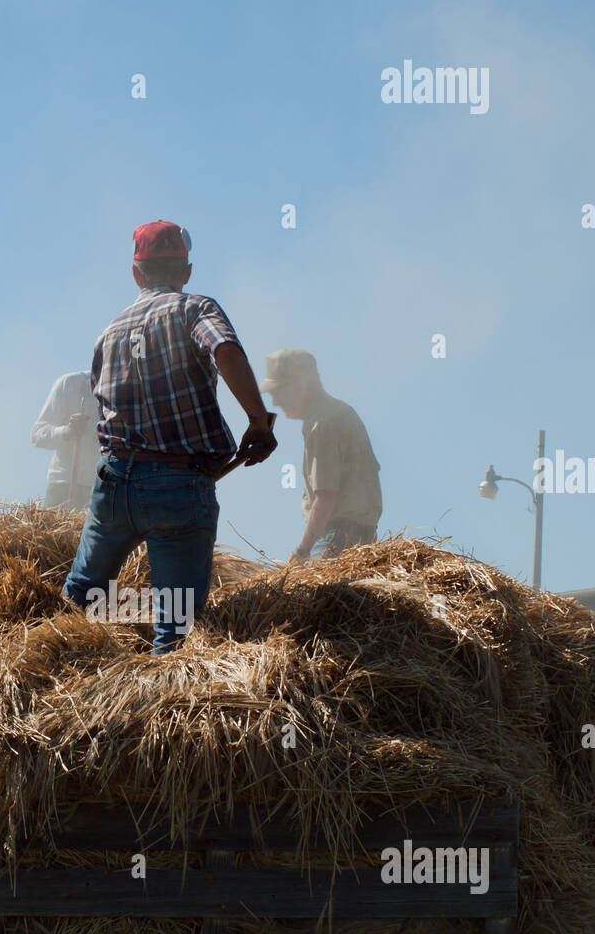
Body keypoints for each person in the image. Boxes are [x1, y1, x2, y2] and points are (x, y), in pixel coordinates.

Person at [62, 220, 277, 653]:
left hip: (114, 482)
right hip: (179, 485)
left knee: (81, 596)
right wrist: (256, 419)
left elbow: (102, 401)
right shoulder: (194, 308)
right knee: (176, 625)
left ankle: (57, 675)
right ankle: (159, 702)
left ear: (136, 274)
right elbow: (225, 349)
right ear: (186, 271)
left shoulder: (108, 332)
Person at [261, 349, 382, 562]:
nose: (275, 402)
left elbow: (326, 497)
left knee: (310, 595)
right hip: (363, 537)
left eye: (277, 391)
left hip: (337, 538)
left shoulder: (321, 424)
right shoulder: (340, 411)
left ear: (299, 385)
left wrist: (302, 551)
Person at [31, 371, 100, 510]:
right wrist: (66, 431)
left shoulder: (126, 392)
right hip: (64, 485)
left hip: (102, 489)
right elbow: (37, 434)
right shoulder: (69, 384)